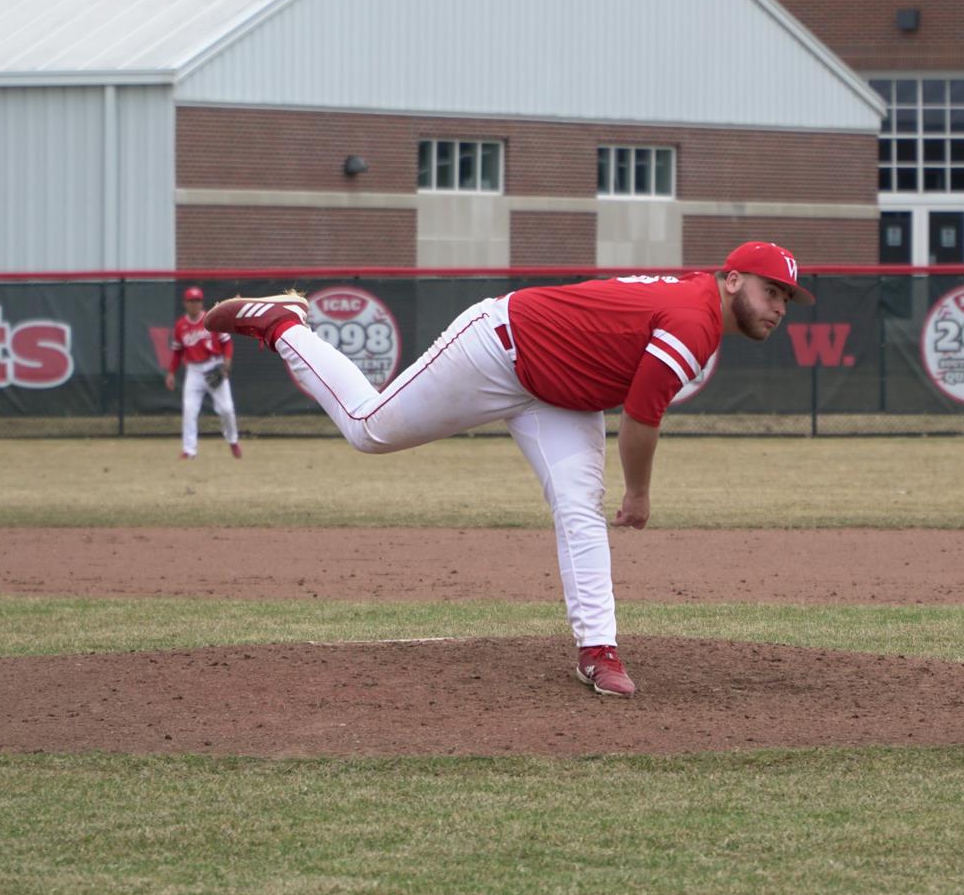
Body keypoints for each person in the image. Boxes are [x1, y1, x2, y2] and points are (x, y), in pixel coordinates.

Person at [202, 241, 810, 698]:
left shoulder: (698, 306)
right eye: (770, 290)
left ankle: (599, 651)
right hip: (498, 348)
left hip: (561, 394)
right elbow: (641, 416)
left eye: (785, 298)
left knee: (578, 511)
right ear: (731, 279)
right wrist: (640, 495)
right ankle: (282, 323)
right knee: (369, 429)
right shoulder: (694, 319)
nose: (778, 306)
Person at [166, 285, 240, 461]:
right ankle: (189, 450)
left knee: (227, 409)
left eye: (197, 300)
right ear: (185, 303)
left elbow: (227, 343)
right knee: (190, 410)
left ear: (201, 302)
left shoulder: (211, 319)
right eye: (191, 301)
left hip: (214, 366)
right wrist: (171, 372)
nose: (194, 304)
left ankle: (233, 440)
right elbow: (177, 352)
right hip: (194, 371)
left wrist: (227, 362)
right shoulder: (180, 325)